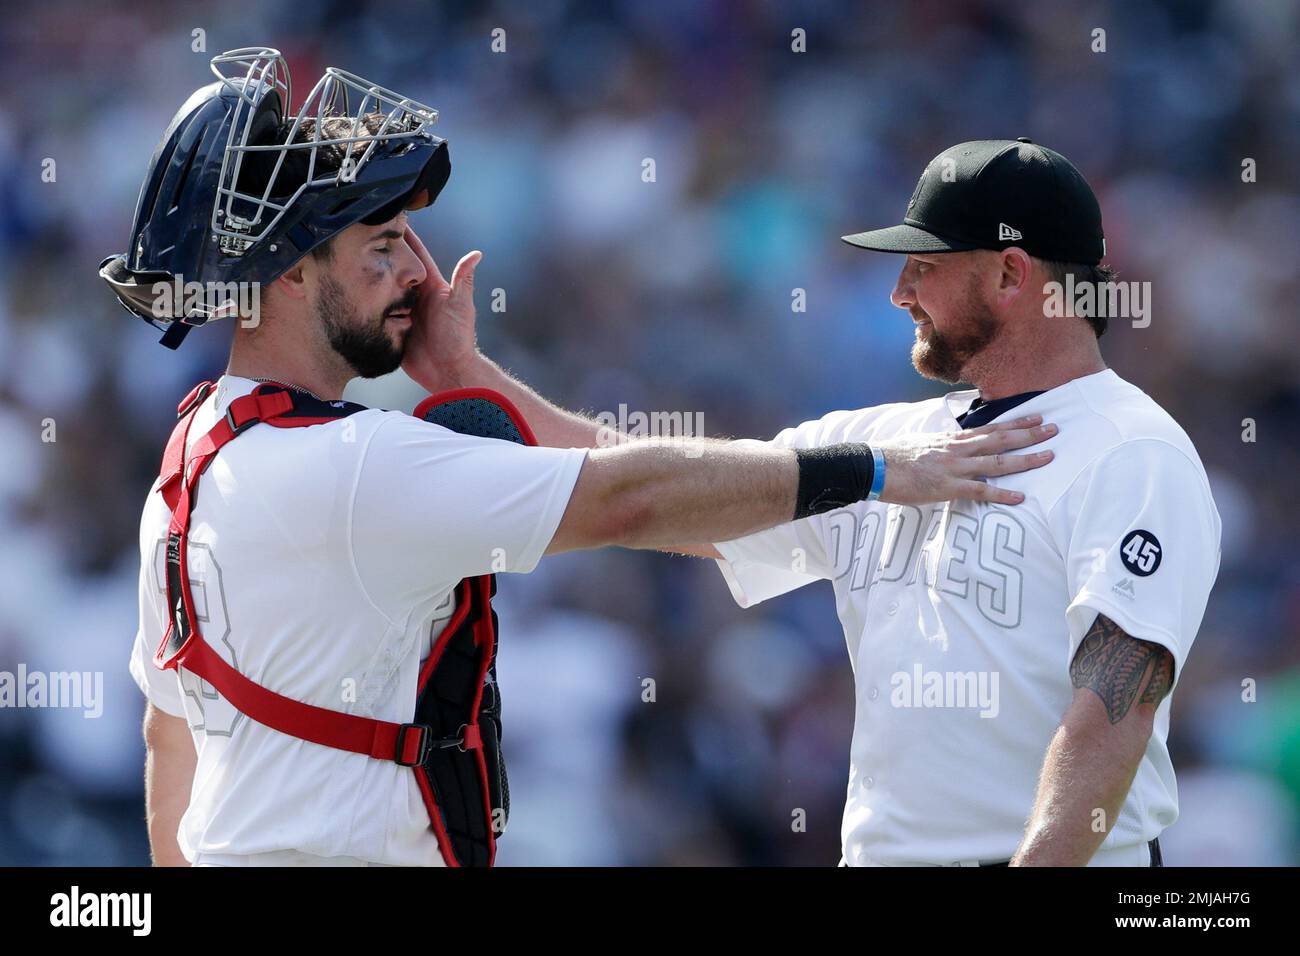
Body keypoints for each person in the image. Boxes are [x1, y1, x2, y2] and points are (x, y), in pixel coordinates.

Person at [105, 51, 1055, 867]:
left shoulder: (193, 458)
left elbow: (170, 737)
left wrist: (468, 372)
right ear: (290, 270)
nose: (416, 275)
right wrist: (882, 467)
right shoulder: (359, 465)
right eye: (384, 243)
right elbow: (629, 499)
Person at [425, 139, 1222, 866]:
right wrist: (470, 378)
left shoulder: (1131, 450)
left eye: (926, 264)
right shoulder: (880, 445)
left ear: (1012, 275)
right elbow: (647, 490)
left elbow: (1114, 714)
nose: (900, 291)